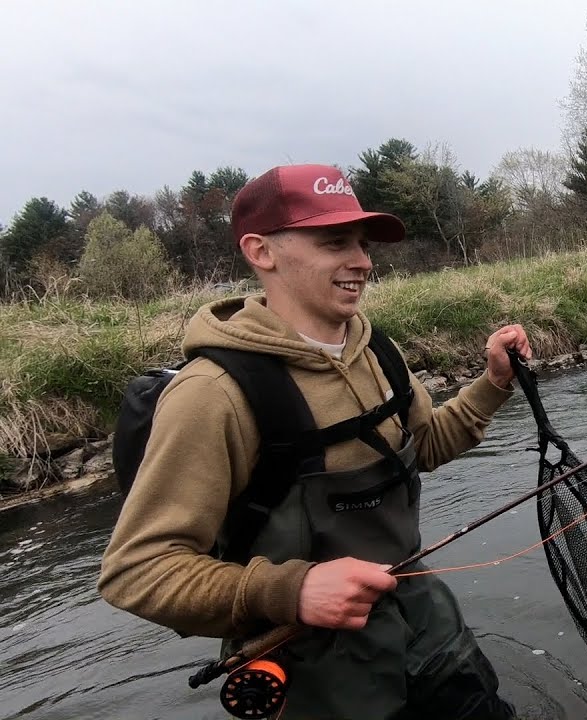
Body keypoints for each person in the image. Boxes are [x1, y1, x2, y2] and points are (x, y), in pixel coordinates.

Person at [98, 163, 531, 719]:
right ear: (261, 252)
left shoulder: (380, 353)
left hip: (427, 633)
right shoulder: (213, 394)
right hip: (316, 681)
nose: (363, 262)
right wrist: (293, 589)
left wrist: (494, 384)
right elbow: (136, 571)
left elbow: (424, 447)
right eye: (334, 243)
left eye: (362, 243)